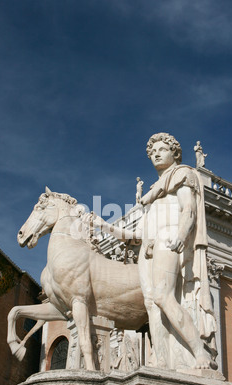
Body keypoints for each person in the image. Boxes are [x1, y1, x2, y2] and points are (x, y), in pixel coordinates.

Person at [90, 132, 217, 370]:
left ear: (175, 153)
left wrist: (181, 234)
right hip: (148, 248)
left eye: (162, 149)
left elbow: (188, 209)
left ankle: (200, 353)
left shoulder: (181, 175)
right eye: (152, 152)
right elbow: (137, 235)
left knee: (163, 296)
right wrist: (104, 225)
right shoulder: (154, 192)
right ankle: (161, 359)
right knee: (151, 305)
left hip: (169, 238)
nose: (156, 154)